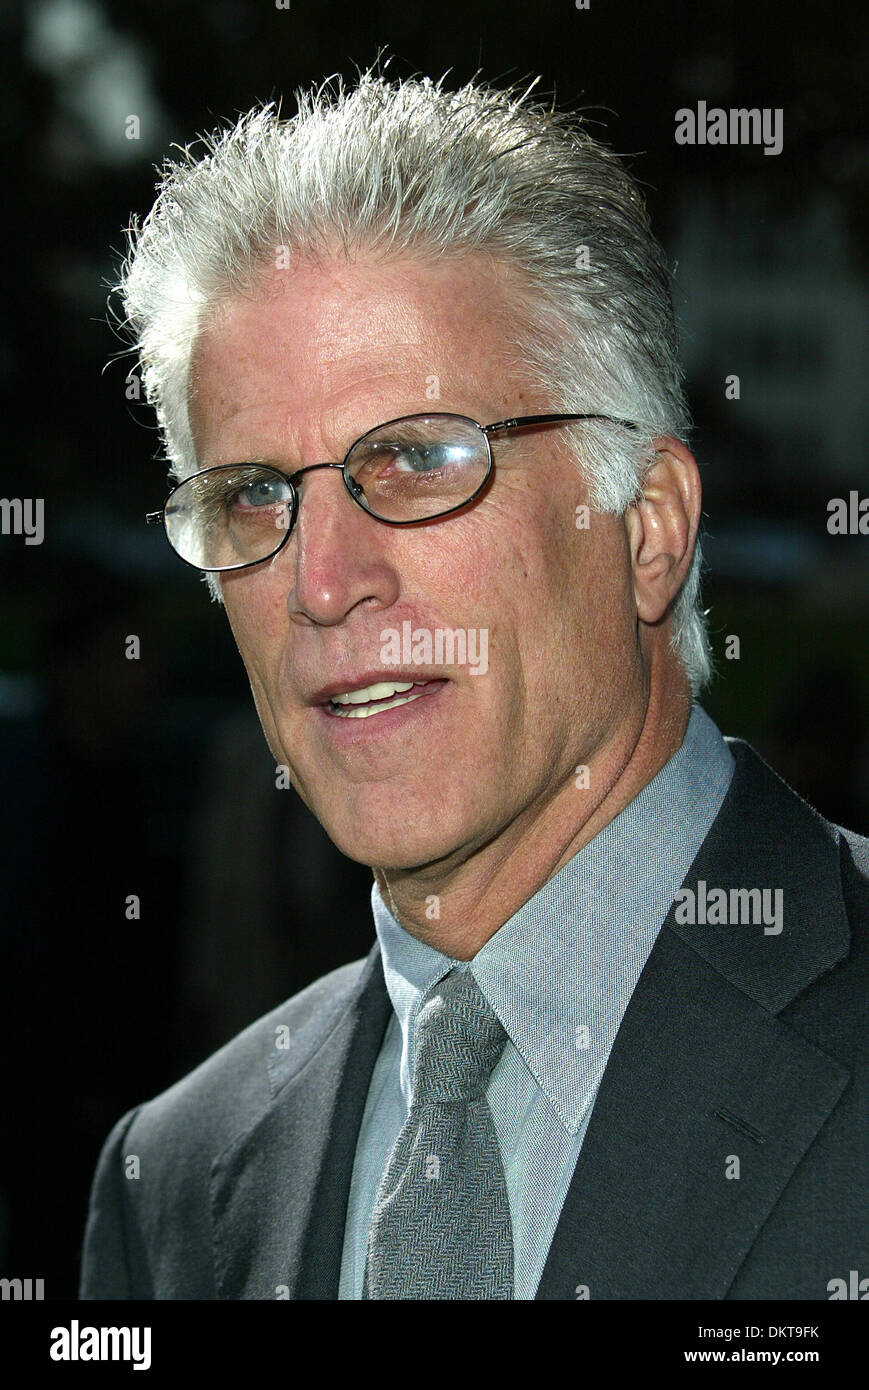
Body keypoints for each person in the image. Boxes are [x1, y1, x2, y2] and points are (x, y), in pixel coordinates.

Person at [79, 64, 869, 1300]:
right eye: (252, 495)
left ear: (647, 526)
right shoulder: (175, 1183)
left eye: (413, 458)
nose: (321, 581)